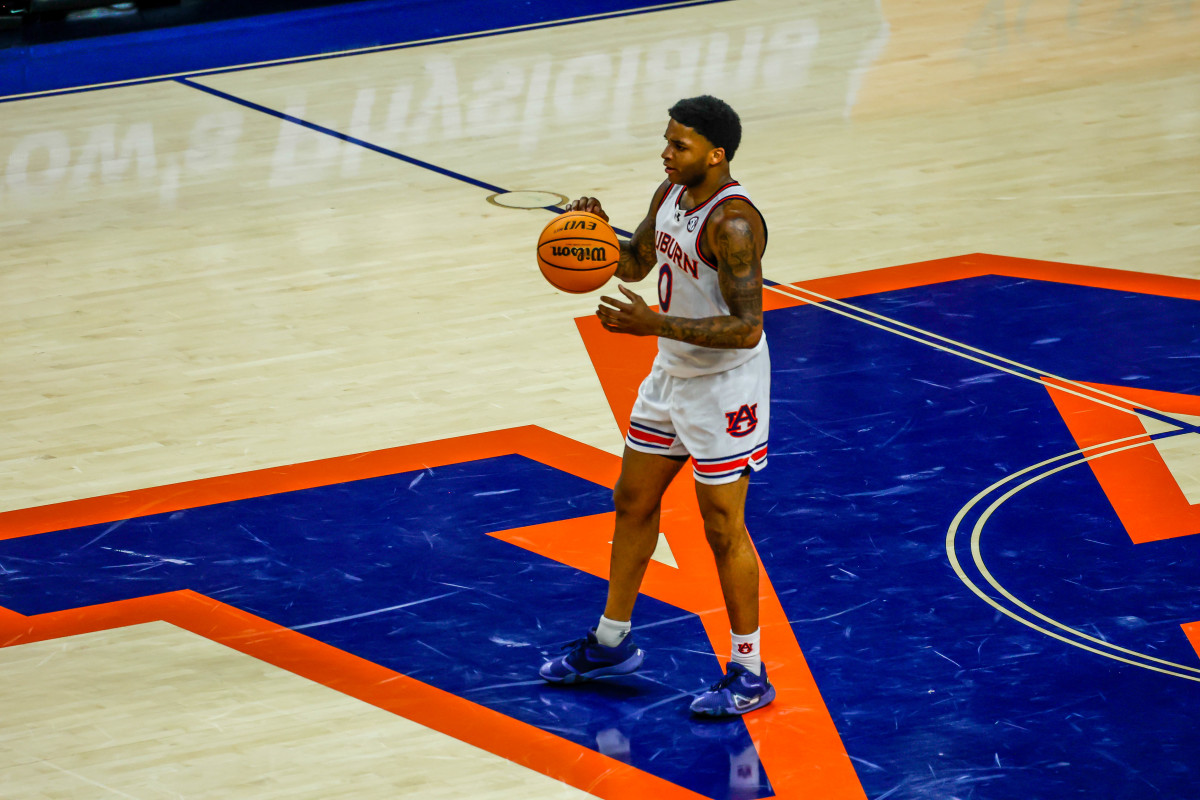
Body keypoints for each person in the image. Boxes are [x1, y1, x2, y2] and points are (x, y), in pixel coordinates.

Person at [539, 95, 773, 717]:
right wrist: (595, 232)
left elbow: (748, 327)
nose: (666, 154)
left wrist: (652, 325)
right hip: (672, 373)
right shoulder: (669, 194)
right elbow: (639, 263)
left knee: (722, 528)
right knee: (632, 501)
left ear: (716, 155)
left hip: (726, 388)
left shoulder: (735, 224)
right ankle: (611, 643)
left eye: (679, 145)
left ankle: (749, 670)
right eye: (666, 142)